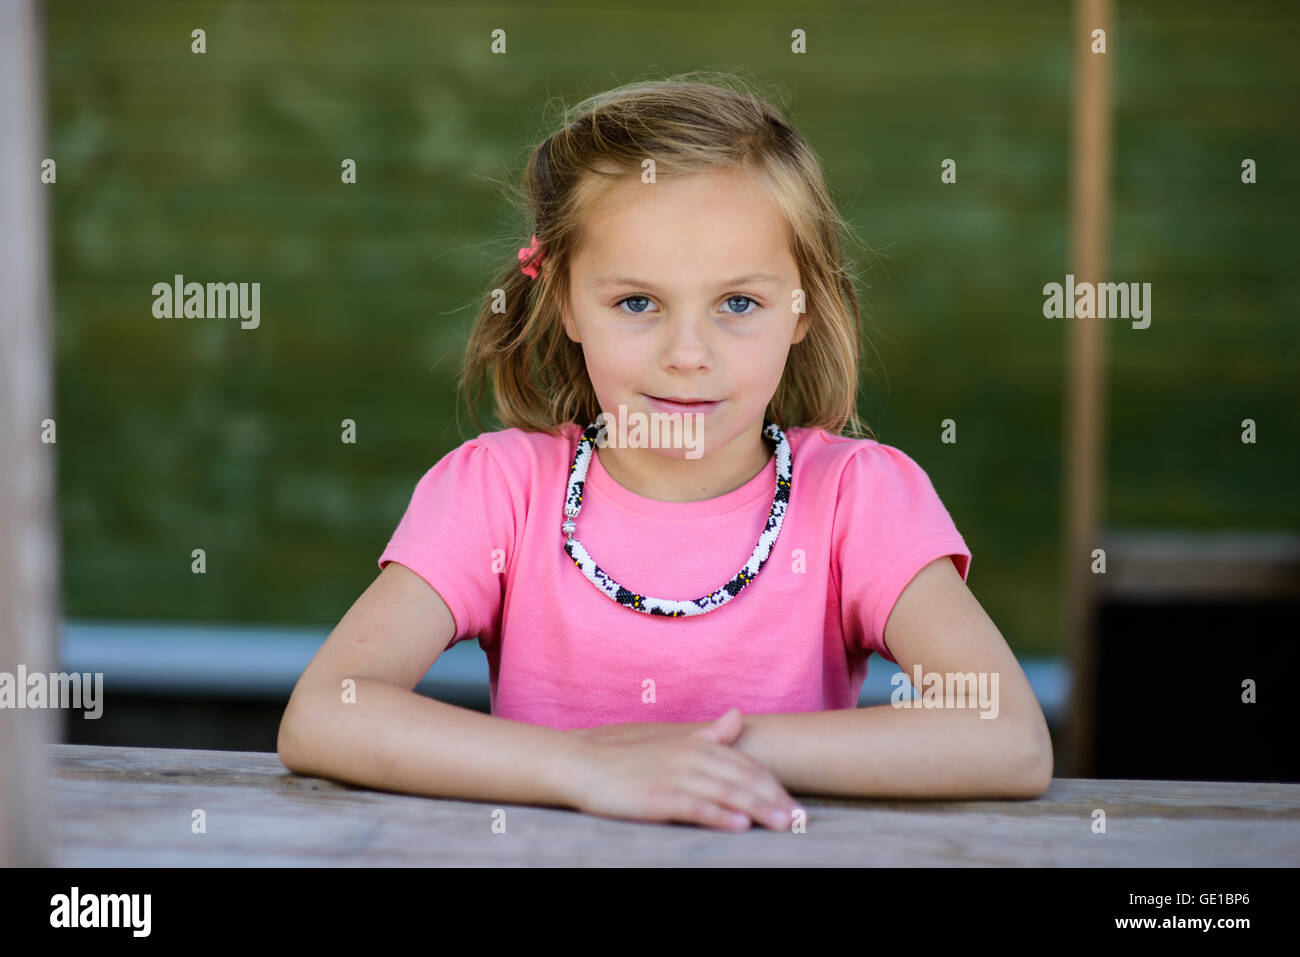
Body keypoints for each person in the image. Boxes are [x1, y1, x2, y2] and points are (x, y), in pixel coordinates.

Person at [277, 73, 1053, 833]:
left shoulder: (856, 498)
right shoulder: (500, 491)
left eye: (738, 303)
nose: (689, 353)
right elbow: (324, 712)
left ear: (802, 307)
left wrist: (706, 750)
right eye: (637, 303)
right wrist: (585, 768)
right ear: (565, 302)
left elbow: (1007, 735)